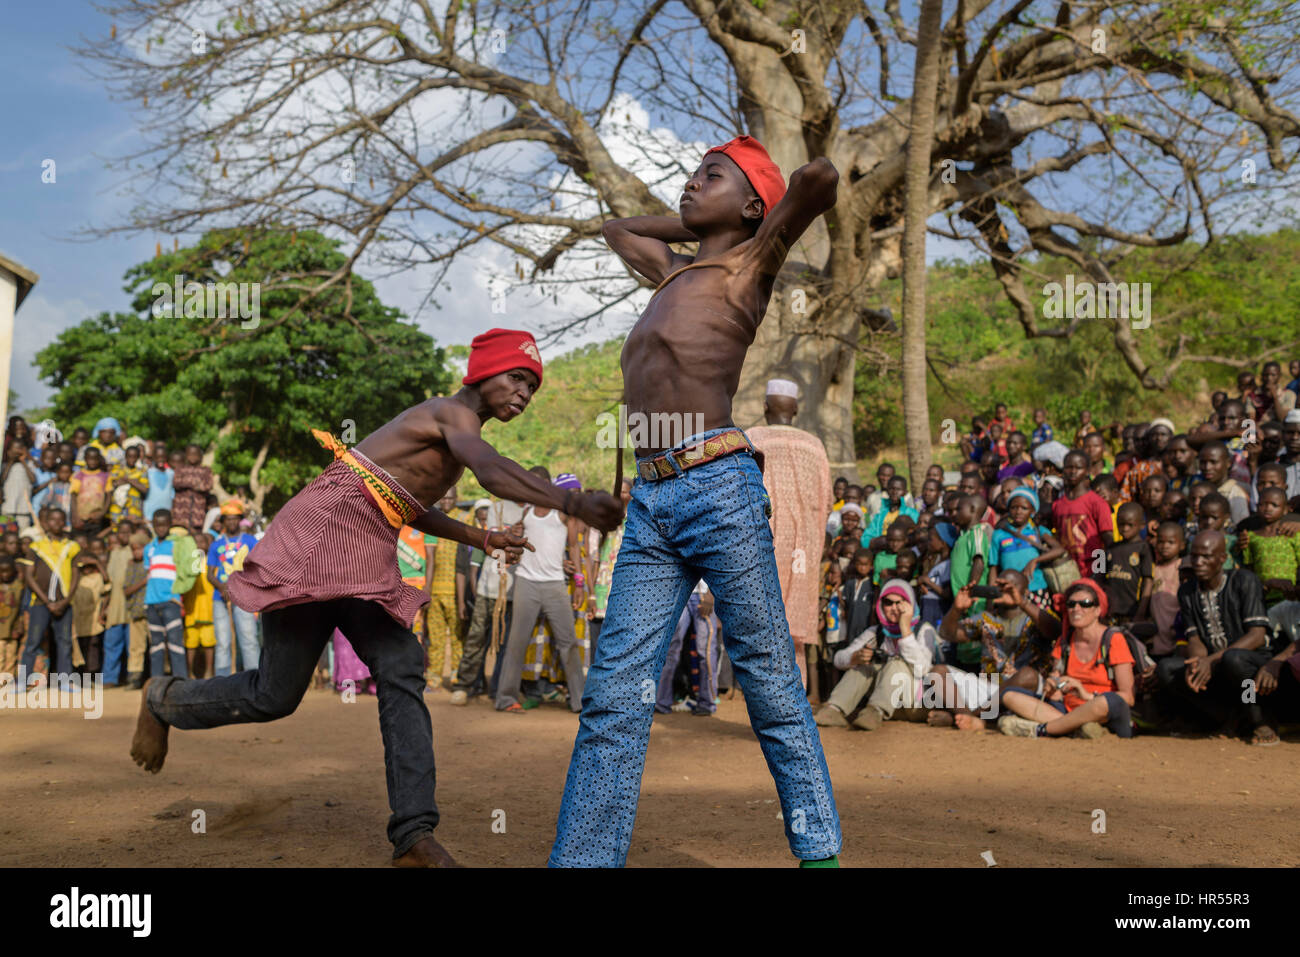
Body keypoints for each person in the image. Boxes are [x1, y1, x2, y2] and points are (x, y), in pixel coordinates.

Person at [130, 327, 622, 868]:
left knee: (401, 663)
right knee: (275, 697)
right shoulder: (448, 414)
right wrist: (569, 502)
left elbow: (409, 505)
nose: (524, 393)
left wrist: (482, 537)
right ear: (482, 373)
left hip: (365, 552)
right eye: (516, 377)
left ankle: (412, 834)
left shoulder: (457, 439)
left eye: (532, 386)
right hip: (321, 536)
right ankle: (164, 698)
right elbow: (491, 470)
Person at [551, 136, 842, 868]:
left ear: (750, 206)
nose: (689, 183)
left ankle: (820, 854)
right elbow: (619, 230)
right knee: (615, 694)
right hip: (651, 500)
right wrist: (702, 216)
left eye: (709, 175)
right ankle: (583, 861)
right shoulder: (672, 275)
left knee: (772, 682)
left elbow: (821, 178)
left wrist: (759, 219)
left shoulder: (750, 265)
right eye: (689, 174)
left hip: (719, 487)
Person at [748, 377, 834, 684]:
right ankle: (794, 718)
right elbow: (827, 504)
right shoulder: (815, 446)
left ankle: (767, 716)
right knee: (794, 631)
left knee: (761, 630)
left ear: (765, 407)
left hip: (761, 545)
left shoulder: (751, 438)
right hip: (805, 552)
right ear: (795, 409)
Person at [1157, 530, 1278, 744]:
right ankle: (1227, 717)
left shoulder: (1244, 580)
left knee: (1236, 660)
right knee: (1167, 669)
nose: (1198, 562)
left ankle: (1258, 719)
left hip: (1251, 666)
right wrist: (1198, 663)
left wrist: (1210, 661)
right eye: (1194, 556)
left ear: (1222, 559)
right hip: (1216, 666)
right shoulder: (1187, 591)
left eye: (1206, 556)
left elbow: (1257, 636)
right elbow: (1194, 638)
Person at [495, 470, 587, 713]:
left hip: (555, 584)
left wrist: (579, 582)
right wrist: (514, 534)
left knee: (568, 642)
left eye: (542, 483)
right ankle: (506, 698)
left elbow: (575, 546)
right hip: (526, 582)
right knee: (517, 642)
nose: (537, 487)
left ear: (549, 485)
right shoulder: (526, 512)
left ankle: (580, 701)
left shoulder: (564, 512)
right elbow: (516, 538)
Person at [999, 579, 1136, 738]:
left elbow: (1128, 697)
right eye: (1071, 604)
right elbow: (1055, 676)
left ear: (1098, 610)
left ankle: (1042, 730)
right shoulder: (1065, 641)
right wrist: (1052, 687)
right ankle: (1078, 729)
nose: (1076, 609)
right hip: (1066, 708)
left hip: (1102, 711)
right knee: (1009, 695)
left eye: (1084, 603)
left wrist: (1086, 695)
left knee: (1107, 701)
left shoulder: (1113, 639)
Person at [932, 570, 1061, 730]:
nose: (1005, 591)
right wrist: (956, 610)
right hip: (990, 691)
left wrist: (1022, 603)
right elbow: (947, 634)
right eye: (1001, 587)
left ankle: (973, 717)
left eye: (1011, 587)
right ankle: (971, 717)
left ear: (1025, 592)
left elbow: (1056, 631)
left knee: (1027, 675)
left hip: (1025, 692)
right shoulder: (986, 618)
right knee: (937, 673)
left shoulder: (1035, 616)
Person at [814, 579, 935, 730]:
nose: (894, 608)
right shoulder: (876, 632)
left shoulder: (923, 630)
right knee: (863, 667)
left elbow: (924, 669)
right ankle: (834, 710)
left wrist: (905, 629)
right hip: (891, 707)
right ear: (881, 605)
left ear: (910, 604)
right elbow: (839, 659)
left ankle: (874, 711)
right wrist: (855, 657)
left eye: (900, 603)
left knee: (896, 664)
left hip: (915, 704)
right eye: (888, 603)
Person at [452, 496, 527, 704]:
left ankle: (498, 688)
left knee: (506, 644)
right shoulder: (497, 508)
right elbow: (495, 541)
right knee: (476, 638)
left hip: (515, 592)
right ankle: (464, 685)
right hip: (488, 588)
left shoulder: (532, 512)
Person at [19, 507, 81, 687]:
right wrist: (47, 601)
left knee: (65, 644)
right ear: (46, 523)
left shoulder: (72, 546)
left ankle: (64, 683)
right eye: (52, 520)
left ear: (65, 522)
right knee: (32, 643)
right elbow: (30, 577)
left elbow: (76, 574)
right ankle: (23, 683)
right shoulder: (36, 546)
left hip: (64, 604)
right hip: (40, 603)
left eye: (61, 520)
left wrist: (66, 600)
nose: (57, 523)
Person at [143, 509, 201, 681]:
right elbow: (149, 574)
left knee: (176, 643)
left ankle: (180, 681)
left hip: (171, 602)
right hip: (151, 603)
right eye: (157, 524)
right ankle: (156, 682)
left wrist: (177, 594)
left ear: (170, 524)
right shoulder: (149, 548)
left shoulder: (178, 545)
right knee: (156, 645)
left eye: (164, 524)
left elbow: (188, 567)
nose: (160, 528)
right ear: (152, 524)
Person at [207, 500, 261, 676]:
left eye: (234, 519)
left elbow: (256, 569)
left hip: (243, 597)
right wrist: (222, 587)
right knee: (223, 642)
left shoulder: (250, 540)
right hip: (220, 598)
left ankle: (253, 678)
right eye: (227, 519)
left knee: (248, 639)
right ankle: (222, 682)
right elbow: (210, 574)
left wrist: (238, 587)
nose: (231, 522)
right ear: (222, 521)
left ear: (240, 519)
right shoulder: (216, 544)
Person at [422, 488, 464, 691]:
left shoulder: (464, 520)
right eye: (443, 497)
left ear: (457, 499)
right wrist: (427, 590)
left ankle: (457, 677)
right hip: (436, 589)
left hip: (456, 591)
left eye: (450, 498)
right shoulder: (433, 521)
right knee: (436, 638)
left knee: (457, 637)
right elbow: (429, 558)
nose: (446, 501)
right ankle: (434, 678)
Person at [1053, 450, 1114, 574]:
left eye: (1078, 467)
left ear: (1087, 471)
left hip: (1092, 569)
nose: (1073, 471)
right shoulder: (1057, 505)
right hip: (1067, 571)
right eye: (1069, 467)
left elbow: (1107, 540)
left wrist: (1101, 572)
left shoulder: (1097, 502)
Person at [70, 447, 112, 538]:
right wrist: (75, 516)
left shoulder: (105, 476)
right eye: (90, 459)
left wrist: (102, 513)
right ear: (85, 459)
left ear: (99, 459)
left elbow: (109, 496)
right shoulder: (78, 475)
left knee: (94, 541)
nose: (92, 461)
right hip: (80, 517)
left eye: (95, 459)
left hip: (96, 517)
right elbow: (73, 496)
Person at [171, 444, 213, 533]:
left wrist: (187, 483)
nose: (192, 457)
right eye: (190, 454)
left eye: (195, 454)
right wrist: (194, 483)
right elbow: (176, 483)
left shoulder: (206, 470)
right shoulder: (180, 469)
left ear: (200, 456)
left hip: (198, 511)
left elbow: (208, 485)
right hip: (181, 512)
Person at [1, 441, 35, 531]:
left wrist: (23, 461)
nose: (16, 453)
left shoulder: (29, 465)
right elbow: (2, 480)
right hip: (8, 509)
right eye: (14, 451)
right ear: (8, 452)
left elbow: (33, 480)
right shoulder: (4, 465)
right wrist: (11, 461)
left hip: (24, 509)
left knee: (23, 534)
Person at [141, 446, 175, 526]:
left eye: (163, 457)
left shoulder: (171, 473)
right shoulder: (148, 473)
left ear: (166, 458)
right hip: (149, 516)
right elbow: (142, 495)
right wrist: (143, 515)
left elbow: (172, 494)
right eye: (158, 457)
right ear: (153, 458)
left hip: (166, 514)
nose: (160, 459)